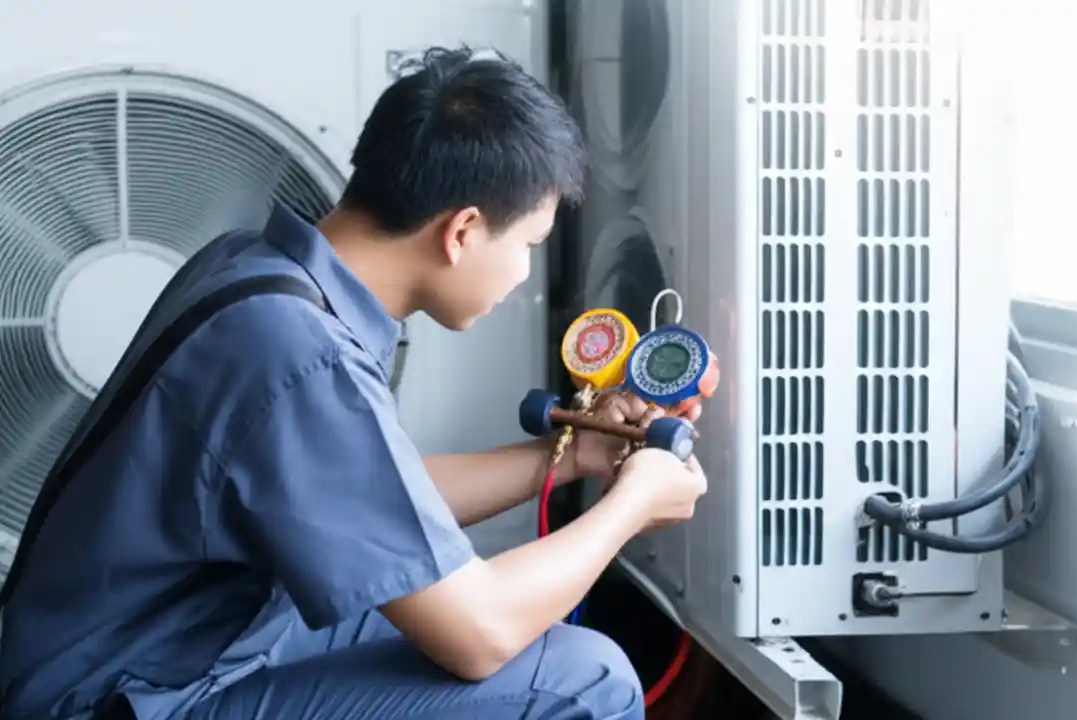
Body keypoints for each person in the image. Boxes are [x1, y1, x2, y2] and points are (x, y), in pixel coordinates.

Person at [0, 45, 707, 720]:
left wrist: (571, 458)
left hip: (143, 654)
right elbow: (480, 635)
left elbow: (374, 498)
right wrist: (632, 505)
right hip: (124, 699)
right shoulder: (297, 353)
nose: (524, 271)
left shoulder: (256, 271)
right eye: (526, 244)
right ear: (461, 231)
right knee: (584, 681)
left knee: (451, 602)